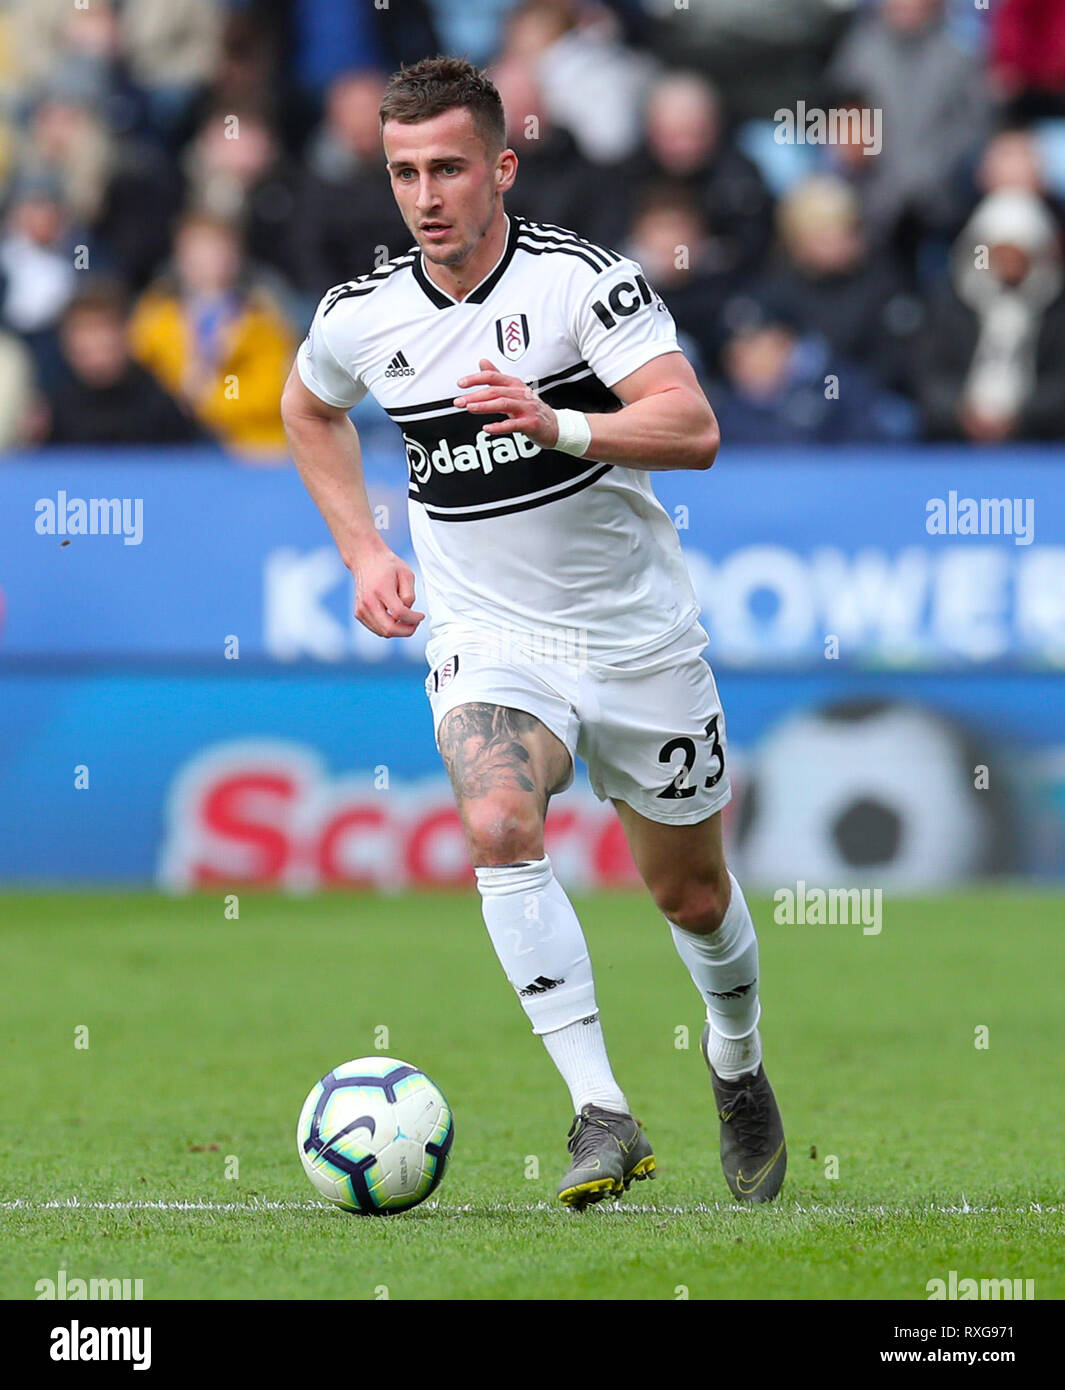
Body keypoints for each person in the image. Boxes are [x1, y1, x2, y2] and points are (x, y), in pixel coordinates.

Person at [282, 56, 786, 1210]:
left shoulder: (580, 286)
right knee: (498, 815)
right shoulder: (362, 315)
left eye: (450, 167)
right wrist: (363, 550)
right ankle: (600, 1107)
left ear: (501, 168)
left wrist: (557, 421)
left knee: (693, 898)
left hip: (634, 638)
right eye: (405, 171)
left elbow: (693, 424)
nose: (426, 194)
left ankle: (736, 1057)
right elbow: (307, 408)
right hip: (489, 633)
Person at [130, 211, 295, 458]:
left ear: (237, 256)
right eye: (198, 251)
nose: (210, 261)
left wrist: (210, 400)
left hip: (249, 445)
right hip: (171, 444)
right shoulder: (154, 317)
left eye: (219, 251)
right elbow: (137, 379)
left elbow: (274, 392)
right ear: (180, 257)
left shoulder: (263, 318)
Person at [46, 282, 201, 445]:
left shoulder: (159, 404)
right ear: (67, 343)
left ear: (125, 335)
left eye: (104, 332)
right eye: (86, 333)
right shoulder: (52, 411)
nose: (96, 343)